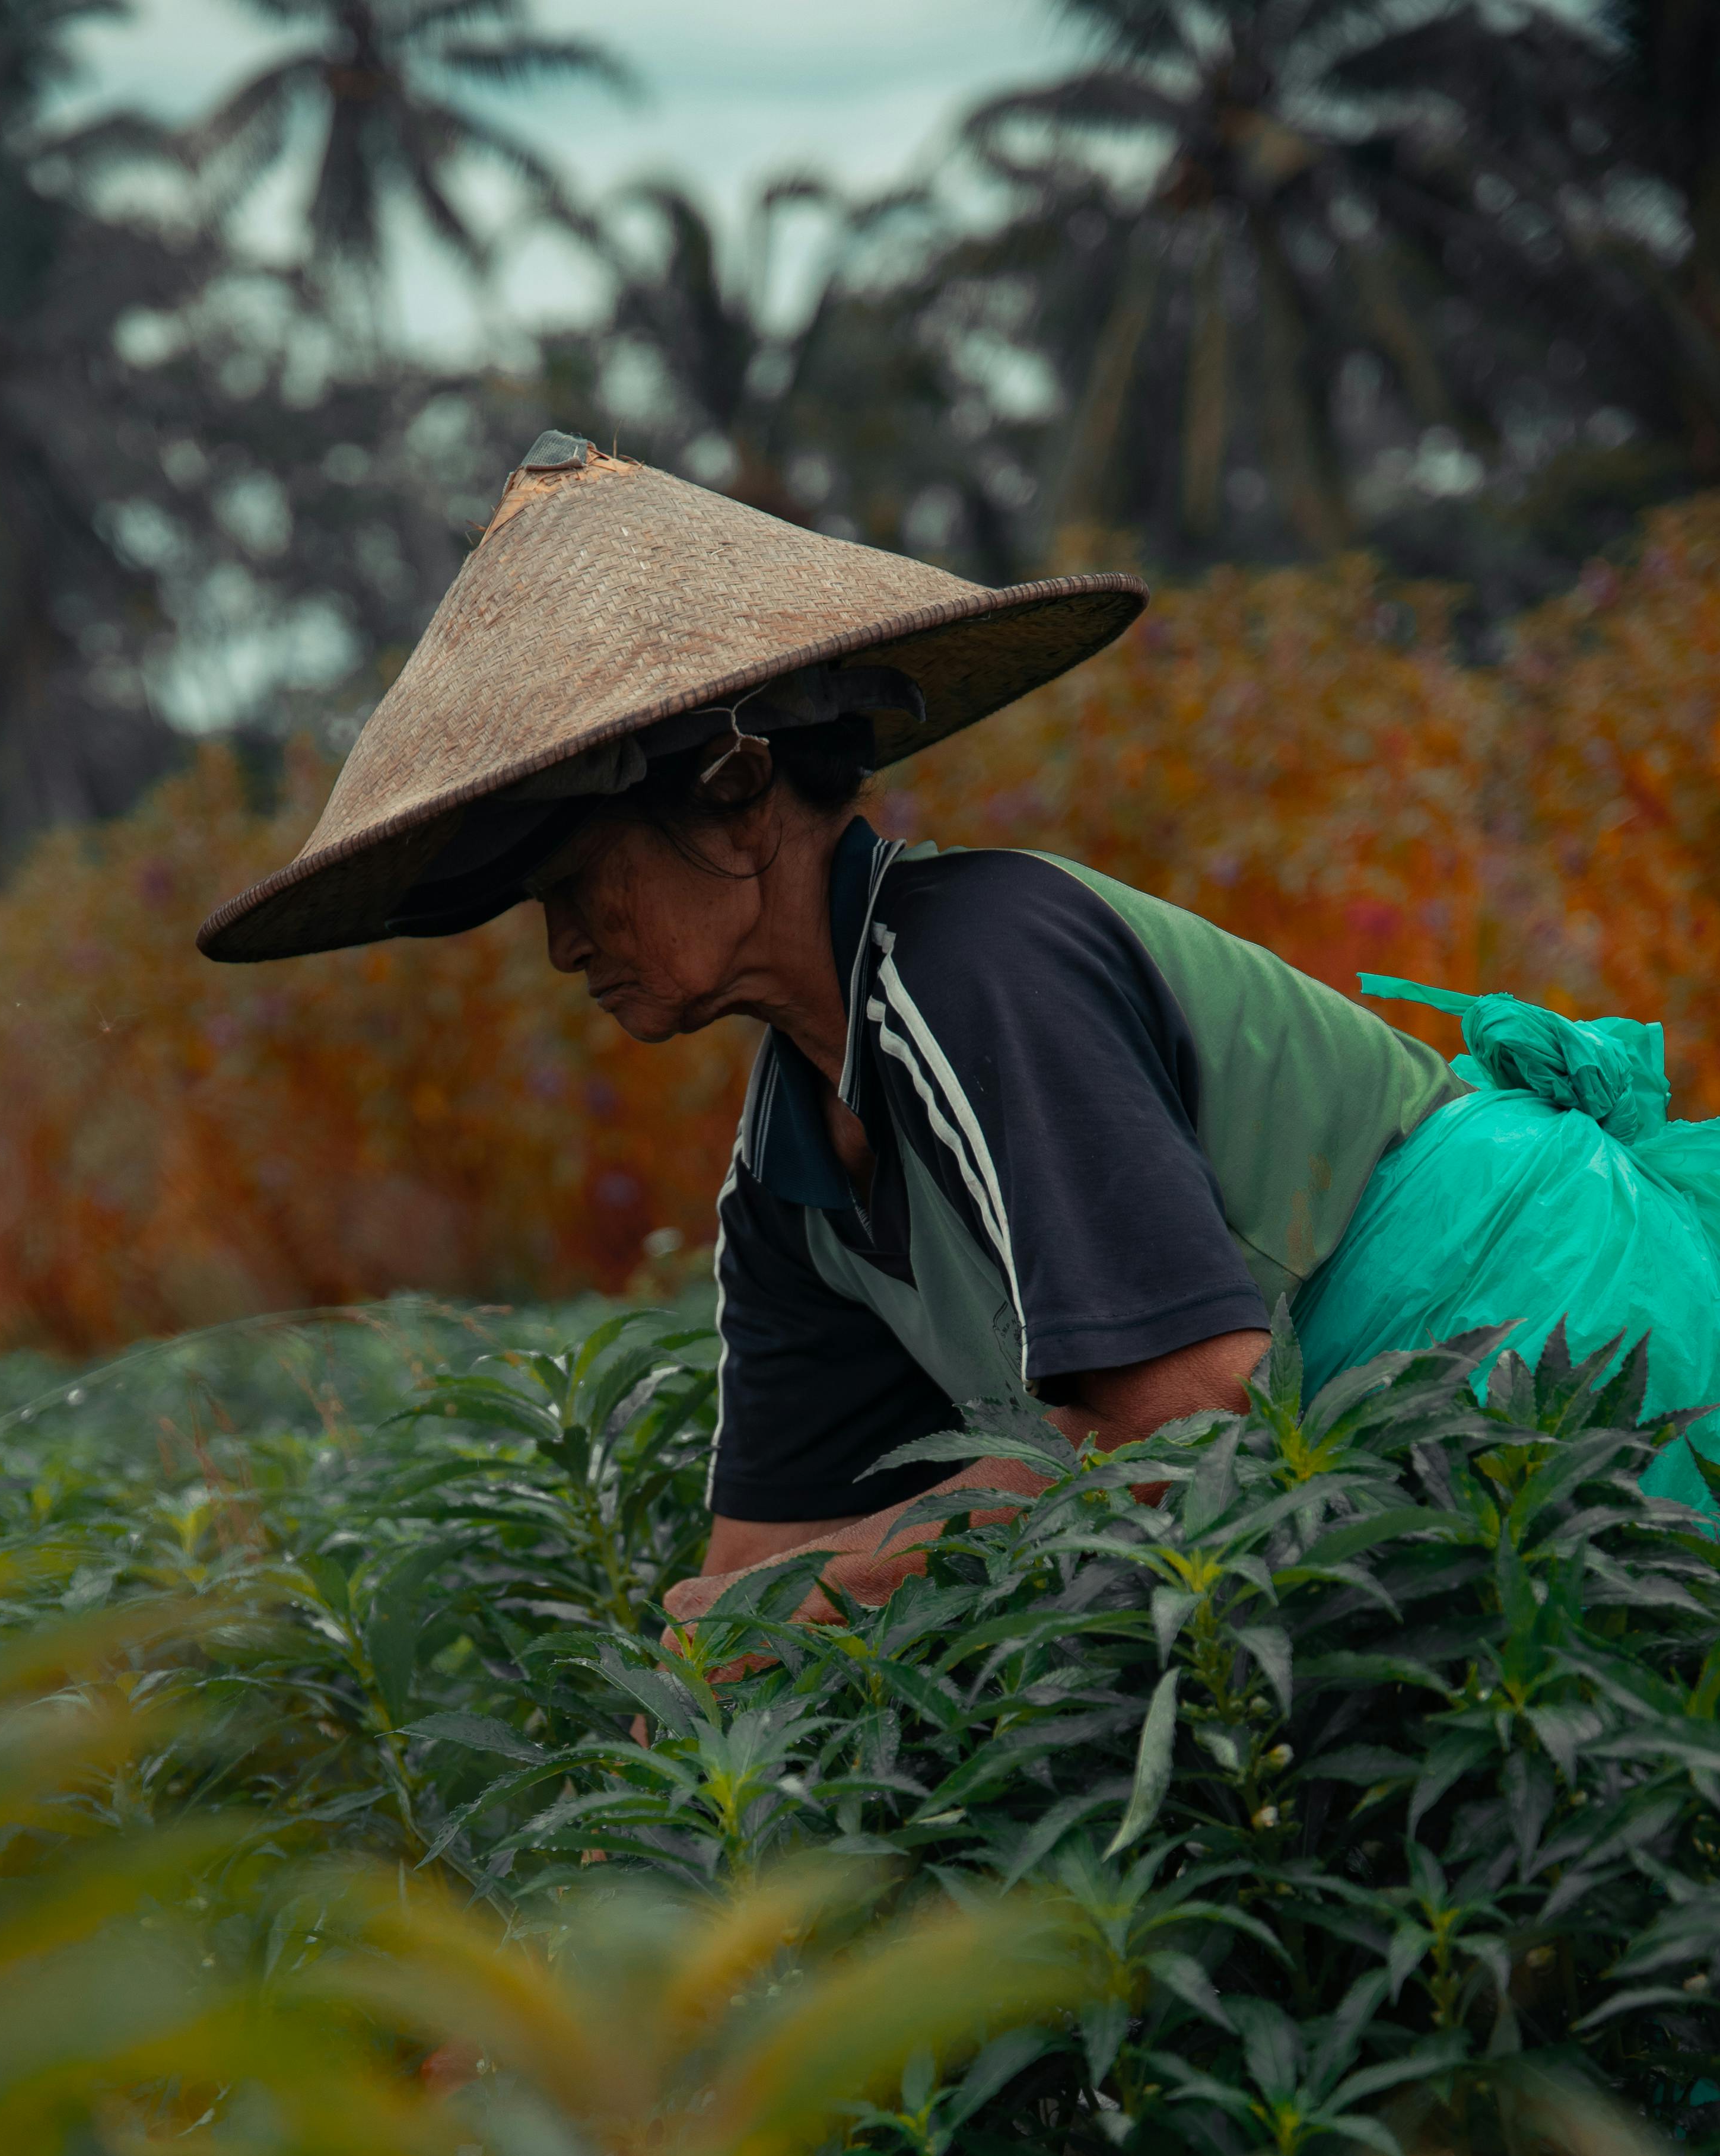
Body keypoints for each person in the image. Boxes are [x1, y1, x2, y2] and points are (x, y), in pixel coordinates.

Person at [199, 435, 1720, 1620]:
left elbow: (1183, 1434)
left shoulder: (974, 961)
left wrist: (815, 1592)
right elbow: (759, 1561)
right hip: (1390, 1474)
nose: (561, 946)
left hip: (1569, 1371)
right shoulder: (790, 1162)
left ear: (736, 795)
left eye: (580, 880)